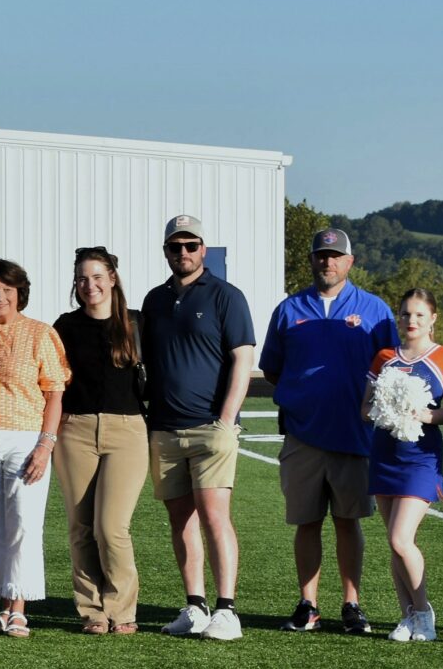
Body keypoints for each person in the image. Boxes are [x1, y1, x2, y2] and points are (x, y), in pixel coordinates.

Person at [259, 227, 399, 634]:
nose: (328, 261)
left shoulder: (374, 309)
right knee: (306, 521)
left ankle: (352, 604)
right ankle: (308, 603)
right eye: (321, 255)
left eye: (335, 255)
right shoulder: (289, 309)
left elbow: (391, 366)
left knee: (347, 519)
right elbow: (272, 366)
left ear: (350, 262)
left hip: (354, 433)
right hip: (303, 433)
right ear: (312, 260)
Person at [140, 214, 256, 641]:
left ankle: (227, 610)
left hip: (210, 427)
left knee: (214, 516)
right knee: (180, 521)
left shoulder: (227, 295)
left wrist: (226, 419)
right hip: (165, 429)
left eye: (191, 246)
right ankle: (195, 605)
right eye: (176, 247)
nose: (183, 253)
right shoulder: (154, 300)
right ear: (166, 251)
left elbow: (242, 359)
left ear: (204, 249)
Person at [0, 259, 68, 637]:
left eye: (7, 290)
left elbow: (54, 391)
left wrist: (46, 444)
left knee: (23, 523)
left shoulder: (41, 333)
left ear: (19, 293)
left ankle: (19, 608)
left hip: (26, 439)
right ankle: (3, 603)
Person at [53, 247, 148, 634]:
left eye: (95, 276)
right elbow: (53, 382)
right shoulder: (64, 326)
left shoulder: (137, 323)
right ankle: (92, 610)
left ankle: (122, 610)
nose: (88, 285)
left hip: (127, 432)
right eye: (81, 278)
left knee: (111, 528)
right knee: (81, 525)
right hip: (74, 431)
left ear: (112, 278)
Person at [362, 288, 443, 642]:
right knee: (395, 544)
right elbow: (365, 409)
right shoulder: (384, 357)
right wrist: (385, 410)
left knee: (400, 537)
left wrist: (424, 413)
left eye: (419, 315)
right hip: (386, 454)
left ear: (433, 318)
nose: (411, 321)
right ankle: (407, 616)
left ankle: (423, 611)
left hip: (421, 458)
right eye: (405, 314)